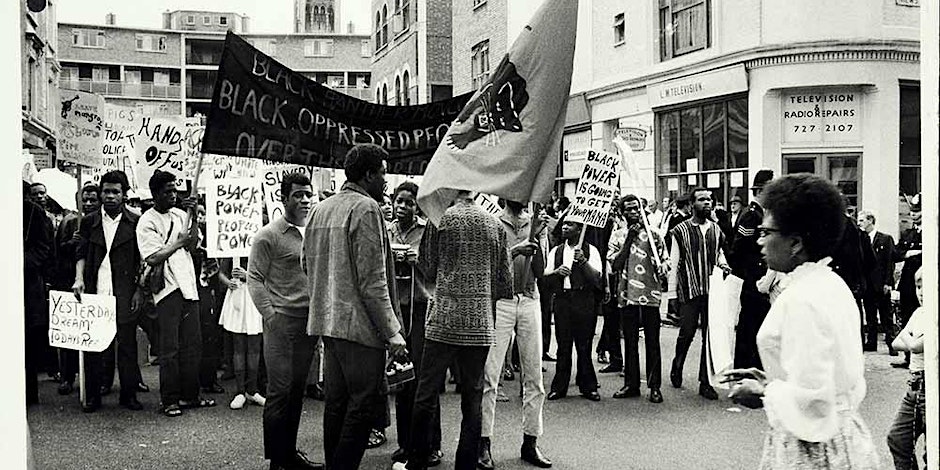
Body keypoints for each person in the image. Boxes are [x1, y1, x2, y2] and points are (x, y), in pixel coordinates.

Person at [724, 173, 880, 469]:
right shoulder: (828, 283)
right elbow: (824, 378)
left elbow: (815, 401)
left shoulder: (802, 298)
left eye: (766, 232)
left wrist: (765, 392)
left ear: (795, 242)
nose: (760, 241)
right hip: (843, 436)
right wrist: (774, 379)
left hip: (814, 448)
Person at [305, 145, 407, 470]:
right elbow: (373, 281)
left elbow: (304, 263)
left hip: (328, 322)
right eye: (382, 173)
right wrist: (393, 333)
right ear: (368, 175)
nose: (386, 182)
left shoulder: (321, 209)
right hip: (360, 328)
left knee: (336, 404)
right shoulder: (366, 209)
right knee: (363, 406)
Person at [406, 190, 512, 470]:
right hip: (480, 323)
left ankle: (416, 461)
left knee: (426, 392)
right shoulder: (495, 224)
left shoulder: (439, 219)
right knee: (472, 396)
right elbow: (504, 283)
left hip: (444, 320)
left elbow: (427, 269)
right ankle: (465, 464)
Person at [249, 172, 323, 470]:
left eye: (308, 194)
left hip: (308, 323)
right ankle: (277, 461)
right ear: (284, 198)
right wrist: (270, 315)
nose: (304, 200)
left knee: (296, 391)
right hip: (281, 323)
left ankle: (289, 454)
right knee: (279, 392)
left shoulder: (315, 231)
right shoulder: (269, 235)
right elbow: (254, 279)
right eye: (297, 195)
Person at [478, 199, 552, 470]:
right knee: (490, 375)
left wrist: (539, 235)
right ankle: (484, 443)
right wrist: (516, 249)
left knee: (534, 376)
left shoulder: (535, 222)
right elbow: (488, 266)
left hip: (530, 298)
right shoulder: (493, 221)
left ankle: (531, 441)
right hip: (502, 301)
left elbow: (541, 270)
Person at [137, 170, 214, 417]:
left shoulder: (181, 215)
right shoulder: (146, 221)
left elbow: (193, 246)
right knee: (169, 347)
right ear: (155, 194)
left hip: (188, 286)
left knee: (193, 344)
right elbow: (152, 256)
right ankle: (169, 399)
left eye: (174, 190)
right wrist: (178, 242)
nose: (172, 195)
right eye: (167, 191)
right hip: (167, 289)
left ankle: (190, 395)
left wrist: (192, 219)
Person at [72, 171, 146, 412]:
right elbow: (81, 253)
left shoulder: (135, 221)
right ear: (100, 193)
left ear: (125, 195)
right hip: (96, 292)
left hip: (124, 294)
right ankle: (93, 396)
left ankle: (128, 394)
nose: (110, 196)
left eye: (116, 192)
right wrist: (79, 279)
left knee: (126, 347)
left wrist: (138, 291)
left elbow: (142, 261)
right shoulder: (89, 221)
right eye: (106, 191)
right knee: (94, 346)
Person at [386, 182, 443, 467]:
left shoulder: (428, 230)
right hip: (397, 311)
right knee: (401, 377)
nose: (402, 207)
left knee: (423, 378)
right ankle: (406, 443)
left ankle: (431, 443)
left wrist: (416, 260)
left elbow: (435, 268)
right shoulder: (388, 230)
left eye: (409, 202)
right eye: (399, 201)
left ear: (417, 206)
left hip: (421, 309)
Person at [667, 188, 729, 401]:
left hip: (711, 289)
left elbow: (719, 254)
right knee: (687, 331)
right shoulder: (679, 231)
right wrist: (671, 295)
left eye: (710, 200)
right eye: (702, 200)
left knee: (709, 337)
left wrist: (723, 265)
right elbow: (674, 263)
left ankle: (706, 381)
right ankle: (678, 364)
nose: (707, 203)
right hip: (689, 289)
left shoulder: (716, 229)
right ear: (692, 204)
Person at [609, 194, 668, 404]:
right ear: (622, 213)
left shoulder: (655, 235)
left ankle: (654, 386)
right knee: (631, 342)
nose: (633, 213)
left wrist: (663, 268)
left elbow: (665, 262)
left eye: (636, 209)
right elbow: (615, 265)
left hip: (650, 294)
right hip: (627, 295)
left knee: (653, 341)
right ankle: (631, 384)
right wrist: (627, 240)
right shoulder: (617, 235)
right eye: (628, 210)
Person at [544, 220, 603, 402]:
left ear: (579, 229)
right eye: (564, 224)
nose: (564, 227)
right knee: (563, 345)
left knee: (584, 346)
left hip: (584, 299)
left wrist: (583, 261)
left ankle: (588, 386)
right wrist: (556, 273)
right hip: (563, 300)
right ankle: (559, 387)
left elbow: (596, 278)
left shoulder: (591, 250)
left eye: (570, 225)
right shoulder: (556, 251)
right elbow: (545, 277)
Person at [55, 183, 101, 396]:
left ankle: (96, 380)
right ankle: (67, 377)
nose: (89, 203)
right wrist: (70, 243)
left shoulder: (100, 222)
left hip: (94, 280)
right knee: (69, 333)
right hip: (69, 282)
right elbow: (56, 252)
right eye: (86, 200)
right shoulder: (70, 222)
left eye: (93, 199)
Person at [729, 170, 773, 371]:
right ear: (761, 191)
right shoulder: (751, 215)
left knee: (756, 324)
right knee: (749, 324)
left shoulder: (761, 214)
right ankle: (744, 368)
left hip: (758, 278)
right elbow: (739, 248)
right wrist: (748, 276)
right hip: (751, 279)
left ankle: (751, 367)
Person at [886, 267, 926, 470]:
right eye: (918, 287)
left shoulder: (933, 316)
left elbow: (915, 346)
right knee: (898, 439)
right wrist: (912, 340)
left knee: (933, 449)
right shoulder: (920, 313)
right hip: (914, 387)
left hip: (928, 388)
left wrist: (910, 339)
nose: (921, 292)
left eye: (926, 288)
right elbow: (896, 343)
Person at [218, 257, 265, 410]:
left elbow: (270, 273)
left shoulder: (261, 242)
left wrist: (249, 276)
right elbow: (221, 273)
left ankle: (252, 389)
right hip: (237, 294)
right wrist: (228, 282)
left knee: (254, 346)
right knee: (238, 346)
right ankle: (240, 391)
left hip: (255, 296)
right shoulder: (232, 249)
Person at [23, 182, 54, 406]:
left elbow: (44, 248)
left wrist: (19, 263)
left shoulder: (32, 212)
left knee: (26, 341)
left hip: (26, 282)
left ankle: (28, 393)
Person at [857, 211, 896, 353]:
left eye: (862, 220)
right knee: (870, 314)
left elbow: (889, 263)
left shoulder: (885, 239)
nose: (859, 223)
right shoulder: (860, 240)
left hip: (880, 284)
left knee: (886, 314)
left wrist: (888, 282)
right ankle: (871, 342)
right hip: (867, 284)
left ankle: (891, 343)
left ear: (870, 221)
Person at [891, 196, 922, 369]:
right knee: (907, 317)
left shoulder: (930, 232)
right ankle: (908, 356)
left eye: (918, 211)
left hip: (922, 283)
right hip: (907, 284)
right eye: (913, 211)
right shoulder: (908, 233)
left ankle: (920, 355)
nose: (913, 215)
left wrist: (917, 252)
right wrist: (907, 254)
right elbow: (896, 253)